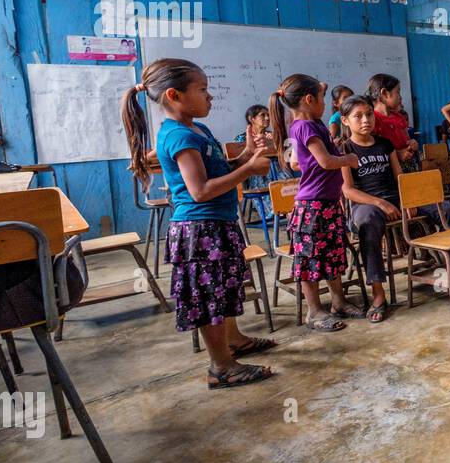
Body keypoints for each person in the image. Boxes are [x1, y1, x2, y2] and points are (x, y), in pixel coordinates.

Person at [121, 59, 275, 389]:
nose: (210, 96)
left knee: (223, 291)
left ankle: (233, 340)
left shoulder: (196, 129)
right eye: (203, 90)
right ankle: (221, 366)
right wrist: (248, 171)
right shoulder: (178, 136)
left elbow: (217, 170)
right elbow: (200, 190)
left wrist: (246, 155)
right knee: (210, 298)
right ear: (174, 95)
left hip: (217, 224)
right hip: (200, 230)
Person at [270, 74, 363, 332]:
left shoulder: (312, 123)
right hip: (312, 207)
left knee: (333, 255)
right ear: (309, 100)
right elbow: (325, 162)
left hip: (327, 202)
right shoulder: (304, 127)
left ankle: (338, 302)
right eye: (322, 98)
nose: (325, 102)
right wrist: (349, 160)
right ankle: (314, 311)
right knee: (309, 261)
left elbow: (302, 161)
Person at [338, 94, 400, 323]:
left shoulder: (385, 144)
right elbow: (348, 190)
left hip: (393, 198)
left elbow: (399, 177)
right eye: (358, 116)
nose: (366, 120)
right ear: (345, 121)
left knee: (443, 208)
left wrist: (410, 200)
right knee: (368, 224)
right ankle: (378, 295)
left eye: (369, 114)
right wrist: (379, 202)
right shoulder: (345, 149)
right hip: (364, 205)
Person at [367, 73, 420, 171]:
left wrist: (413, 144)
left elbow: (407, 139)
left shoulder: (399, 117)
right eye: (398, 92)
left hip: (408, 166)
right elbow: (372, 149)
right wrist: (397, 154)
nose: (400, 97)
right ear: (385, 93)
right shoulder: (373, 119)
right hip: (388, 170)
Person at [234, 103, 275, 192]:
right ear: (251, 119)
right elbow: (241, 161)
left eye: (268, 115)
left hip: (275, 172)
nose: (267, 118)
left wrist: (272, 143)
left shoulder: (272, 136)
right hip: (253, 175)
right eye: (262, 115)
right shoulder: (242, 138)